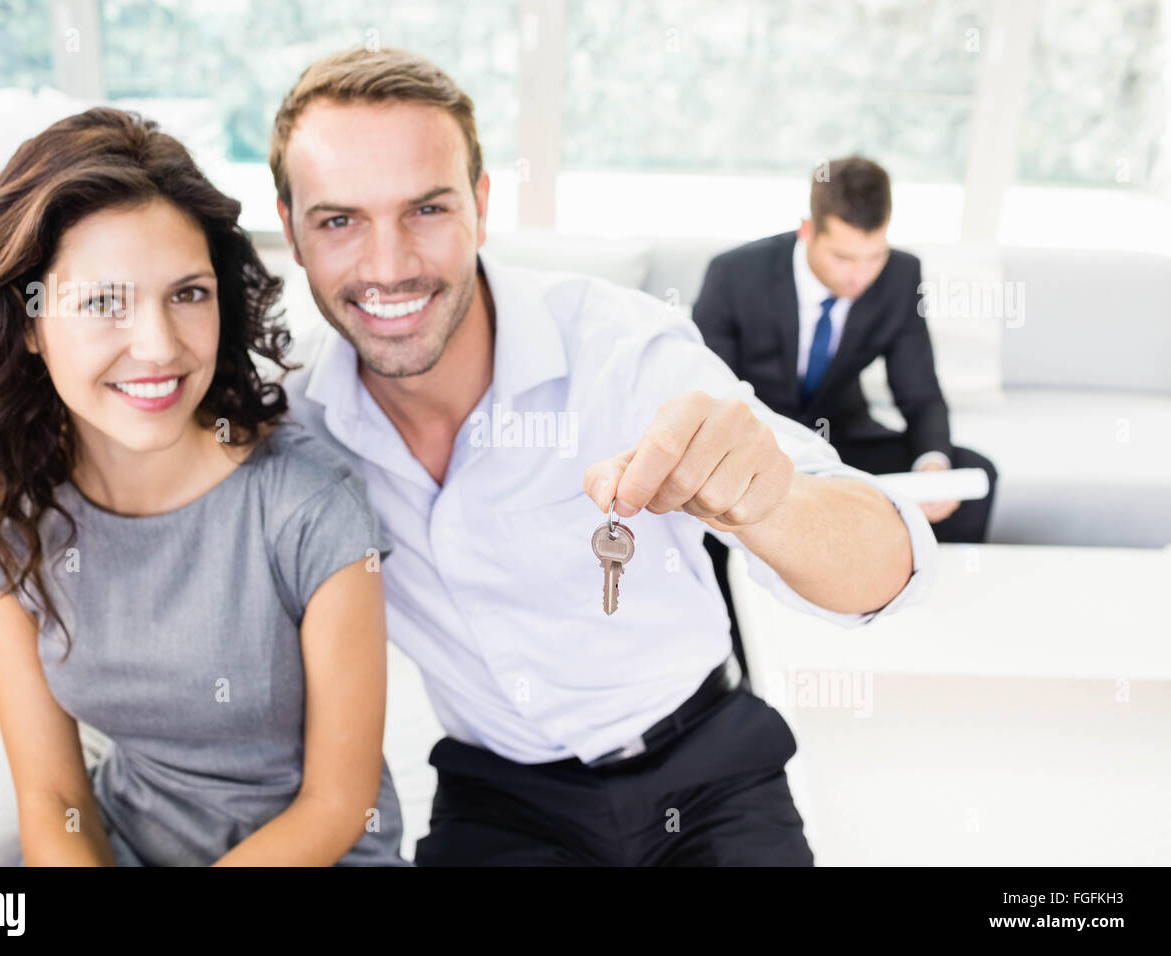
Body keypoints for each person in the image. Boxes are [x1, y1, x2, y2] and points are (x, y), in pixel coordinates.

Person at [268, 47, 938, 865]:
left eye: (427, 209)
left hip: (708, 768)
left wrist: (773, 506)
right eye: (338, 221)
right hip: (501, 799)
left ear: (481, 203)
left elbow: (891, 563)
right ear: (291, 230)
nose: (388, 265)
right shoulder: (293, 421)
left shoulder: (623, 351)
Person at [0, 107, 405, 866]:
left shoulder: (308, 507)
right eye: (105, 302)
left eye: (188, 294)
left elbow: (337, 805)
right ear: (29, 323)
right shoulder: (7, 512)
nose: (159, 346)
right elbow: (54, 796)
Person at [692, 155, 998, 545]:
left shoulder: (900, 276)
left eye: (875, 256)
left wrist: (932, 465)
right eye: (843, 258)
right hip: (755, 442)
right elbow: (711, 391)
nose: (860, 275)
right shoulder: (734, 274)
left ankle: (906, 581)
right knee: (700, 496)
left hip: (841, 442)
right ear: (807, 231)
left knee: (972, 475)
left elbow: (920, 394)